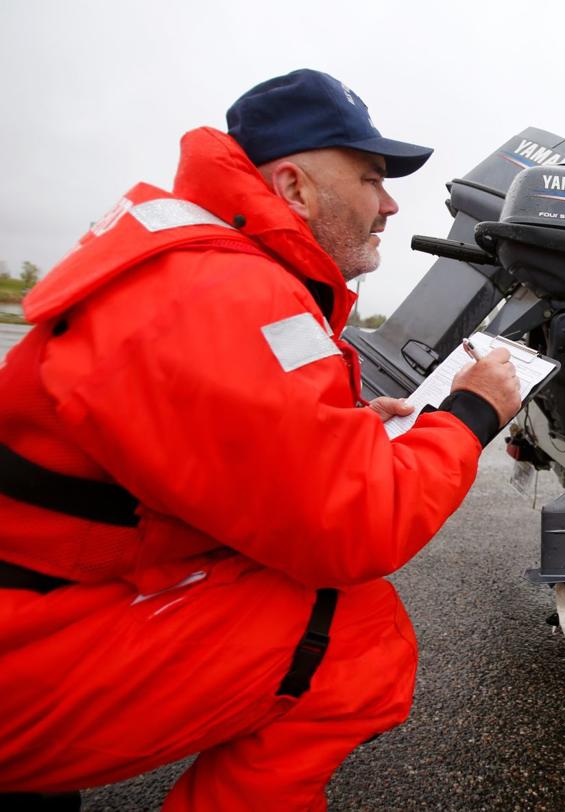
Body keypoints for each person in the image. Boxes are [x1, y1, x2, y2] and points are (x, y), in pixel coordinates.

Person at [0, 69, 522, 809]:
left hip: (38, 597)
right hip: (25, 643)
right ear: (294, 188)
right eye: (371, 179)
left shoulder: (200, 269)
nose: (390, 204)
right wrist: (470, 414)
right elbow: (354, 526)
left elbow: (224, 451)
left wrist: (351, 431)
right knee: (353, 638)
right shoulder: (224, 293)